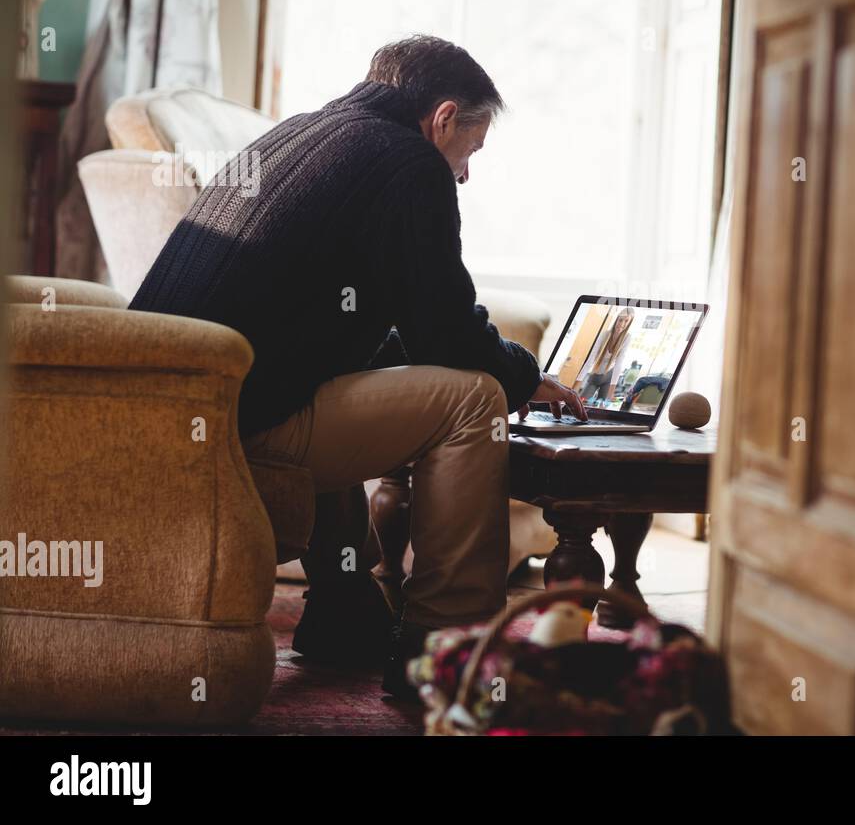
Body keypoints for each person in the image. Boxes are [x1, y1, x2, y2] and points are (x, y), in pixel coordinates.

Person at [128, 35, 587, 698]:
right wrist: (519, 375)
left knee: (334, 377)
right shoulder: (409, 165)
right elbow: (447, 332)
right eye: (471, 151)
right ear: (444, 118)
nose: (464, 173)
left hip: (172, 413)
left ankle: (345, 612)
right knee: (474, 399)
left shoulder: (298, 135)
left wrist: (521, 373)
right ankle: (445, 644)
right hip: (231, 429)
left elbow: (358, 332)